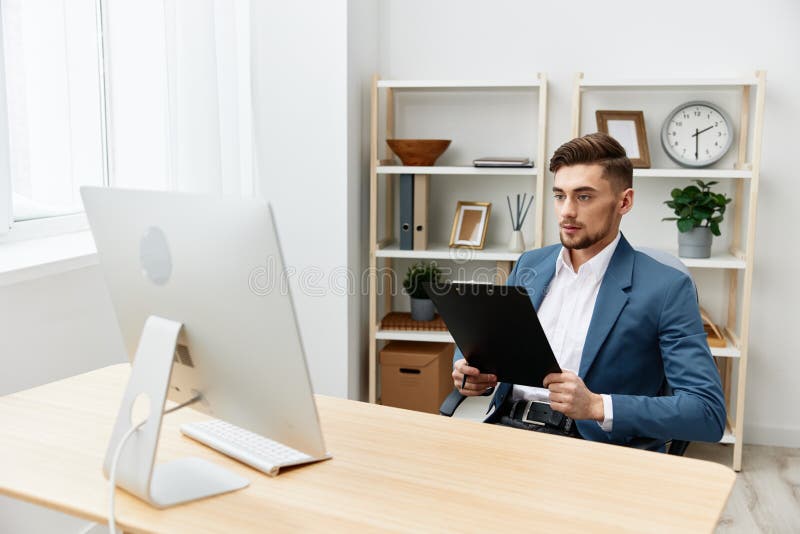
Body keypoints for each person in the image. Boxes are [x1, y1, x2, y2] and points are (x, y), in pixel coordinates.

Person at [451, 132, 726, 450]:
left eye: (583, 197)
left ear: (624, 201)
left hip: (592, 448)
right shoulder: (530, 264)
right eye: (559, 196)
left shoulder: (666, 288)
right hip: (505, 433)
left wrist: (598, 406)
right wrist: (470, 371)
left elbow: (707, 413)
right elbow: (489, 343)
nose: (567, 211)